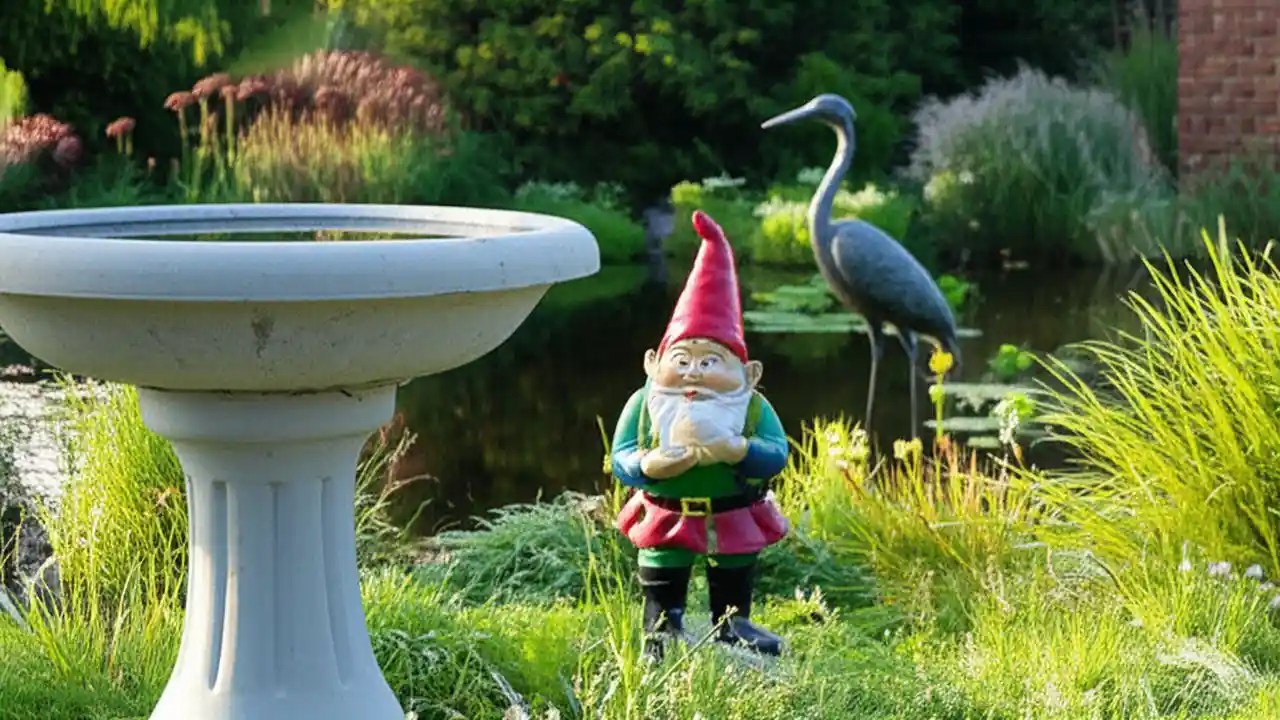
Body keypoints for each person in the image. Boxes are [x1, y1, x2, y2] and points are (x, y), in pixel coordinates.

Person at [609, 209, 791, 659]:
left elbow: (777, 454)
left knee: (733, 567)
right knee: (664, 566)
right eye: (683, 359)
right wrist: (647, 465)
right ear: (654, 363)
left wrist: (740, 450)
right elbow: (621, 456)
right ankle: (661, 628)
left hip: (732, 512)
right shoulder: (644, 405)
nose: (694, 373)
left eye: (711, 361)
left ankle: (733, 625)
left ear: (748, 374)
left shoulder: (752, 408)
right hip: (666, 511)